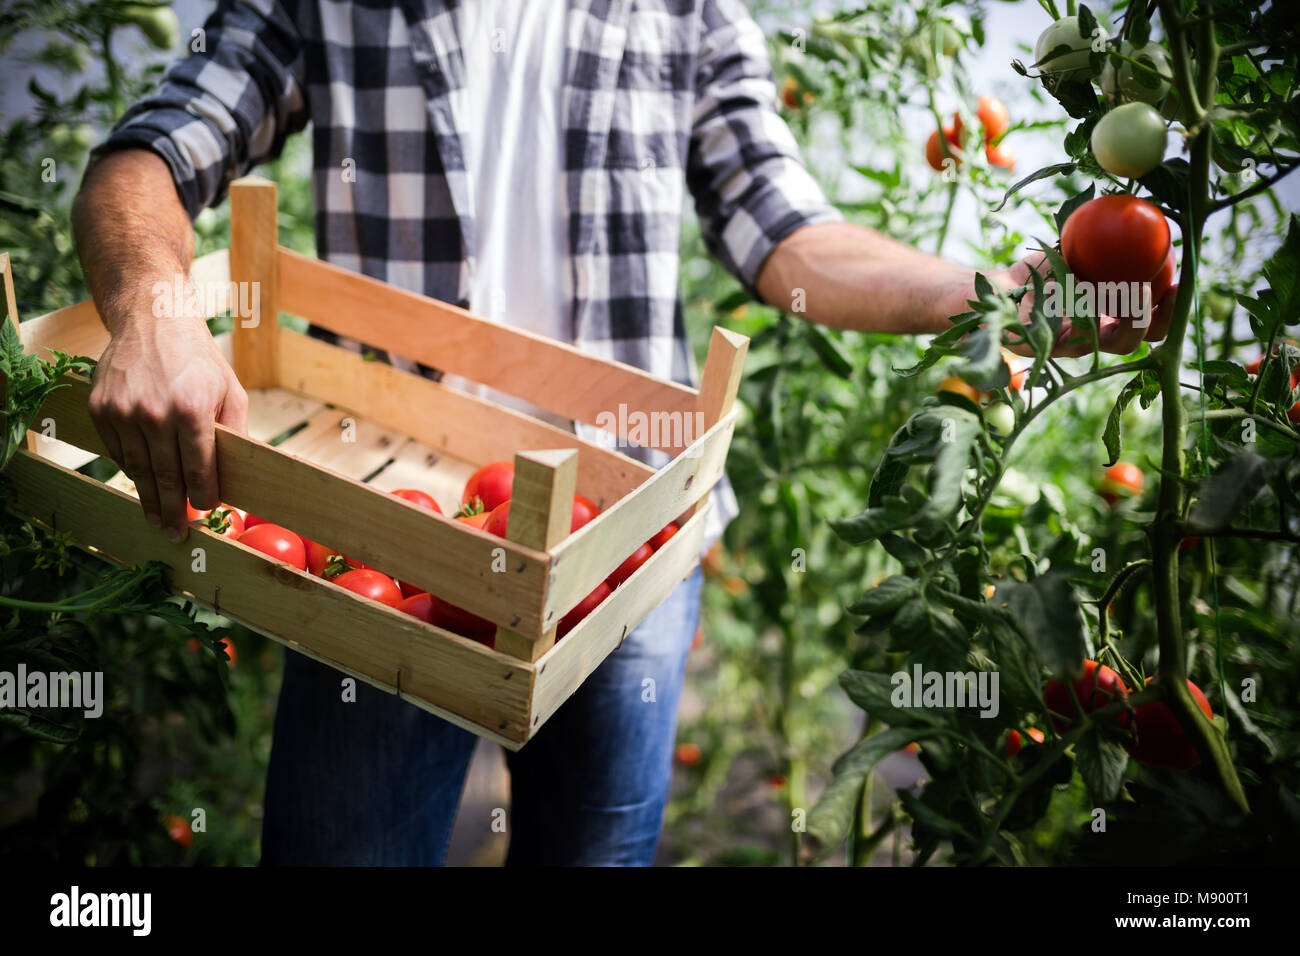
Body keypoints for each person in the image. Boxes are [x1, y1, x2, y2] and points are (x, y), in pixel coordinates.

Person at [72, 0, 1148, 866]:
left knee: (596, 851)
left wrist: (1003, 292)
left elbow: (790, 240)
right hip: (398, 526)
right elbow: (150, 155)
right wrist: (155, 307)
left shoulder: (687, 15)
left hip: (629, 534)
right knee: (345, 848)